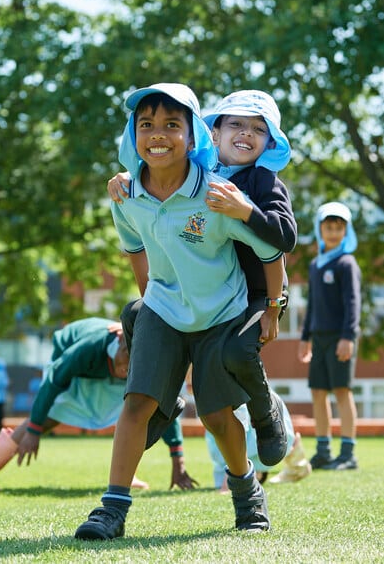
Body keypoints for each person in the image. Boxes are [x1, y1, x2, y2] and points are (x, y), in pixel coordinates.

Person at [75, 82, 285, 540]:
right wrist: (153, 301)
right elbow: (135, 249)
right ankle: (112, 508)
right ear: (132, 135)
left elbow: (271, 252)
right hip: (164, 311)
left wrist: (272, 306)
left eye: (172, 124)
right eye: (146, 124)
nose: (158, 133)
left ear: (194, 136)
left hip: (221, 315)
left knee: (216, 418)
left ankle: (247, 492)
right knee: (137, 404)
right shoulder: (125, 195)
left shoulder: (216, 194)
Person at [109, 89, 298, 468]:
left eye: (258, 129)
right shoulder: (203, 171)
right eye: (236, 125)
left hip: (261, 289)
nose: (245, 133)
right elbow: (161, 164)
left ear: (270, 142)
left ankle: (266, 413)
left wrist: (246, 211)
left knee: (237, 352)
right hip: (209, 287)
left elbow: (285, 238)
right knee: (136, 314)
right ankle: (163, 403)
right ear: (213, 132)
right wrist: (126, 177)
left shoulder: (263, 183)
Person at [0, 317, 197, 492]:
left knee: (140, 410)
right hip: (72, 360)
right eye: (126, 353)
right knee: (52, 416)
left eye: (134, 359)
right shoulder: (90, 348)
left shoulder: (141, 360)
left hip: (103, 374)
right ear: (118, 340)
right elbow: (53, 381)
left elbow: (164, 407)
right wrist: (34, 428)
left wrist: (179, 463)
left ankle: (126, 474)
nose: (127, 364)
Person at [298, 201, 362, 471]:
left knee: (342, 392)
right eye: (328, 227)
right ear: (319, 229)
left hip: (341, 338)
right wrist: (305, 337)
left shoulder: (347, 263)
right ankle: (322, 450)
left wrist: (348, 336)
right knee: (318, 393)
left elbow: (353, 303)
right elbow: (312, 303)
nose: (333, 232)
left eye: (339, 228)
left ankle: (347, 453)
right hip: (320, 338)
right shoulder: (315, 265)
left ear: (346, 231)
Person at [204, 396, 311, 492]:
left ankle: (294, 452)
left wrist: (231, 480)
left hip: (255, 435)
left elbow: (238, 426)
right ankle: (253, 471)